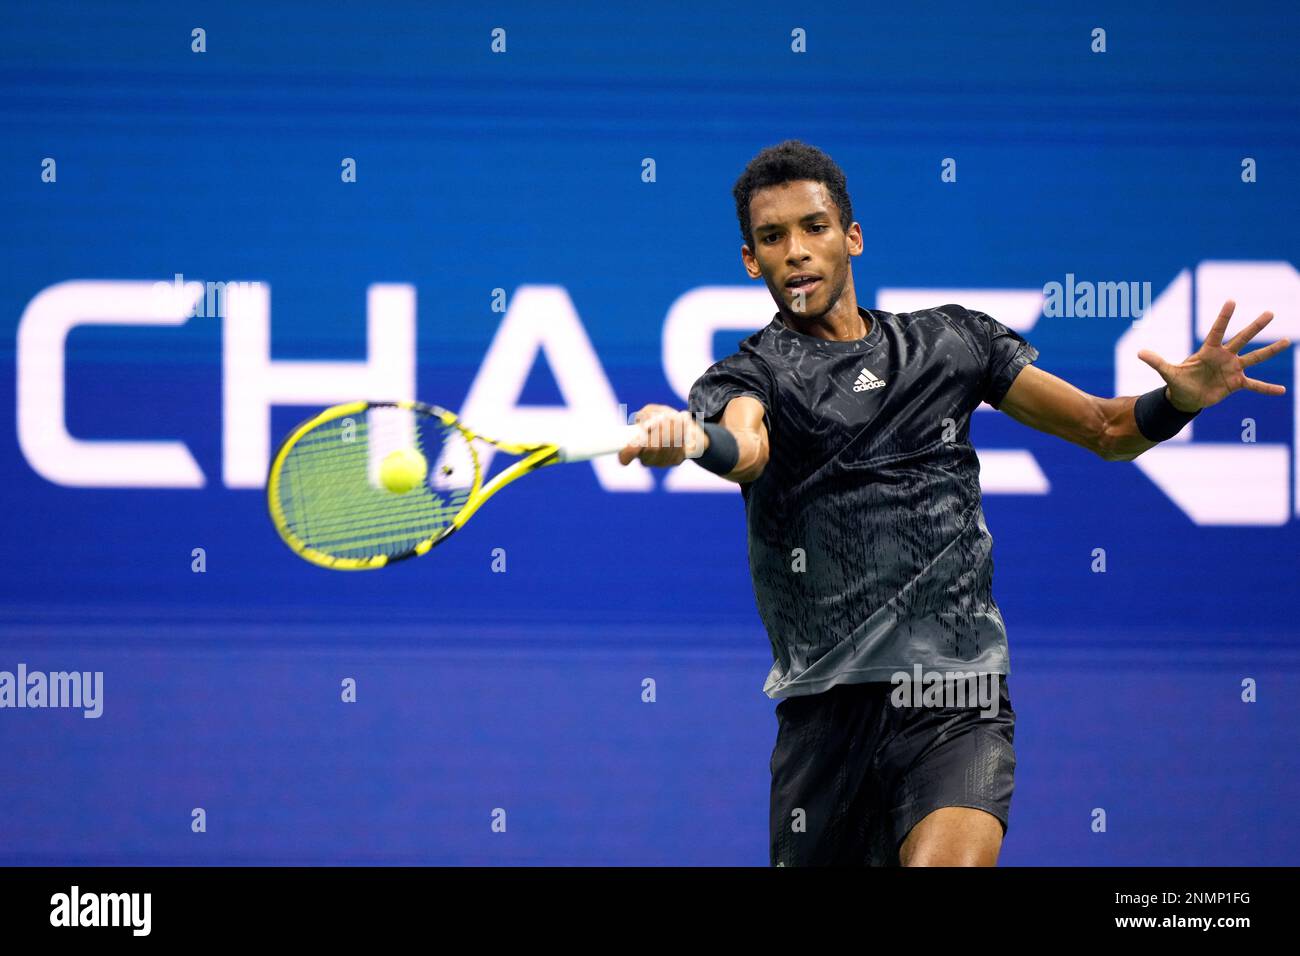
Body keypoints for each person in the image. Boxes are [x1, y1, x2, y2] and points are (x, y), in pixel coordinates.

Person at [617, 140, 1291, 866]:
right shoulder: (751, 372)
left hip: (956, 697)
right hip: (824, 718)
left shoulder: (951, 343)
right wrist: (692, 442)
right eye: (773, 238)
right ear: (751, 260)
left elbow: (1107, 429)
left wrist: (1177, 402)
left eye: (814, 228)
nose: (797, 252)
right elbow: (746, 447)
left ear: (852, 237)